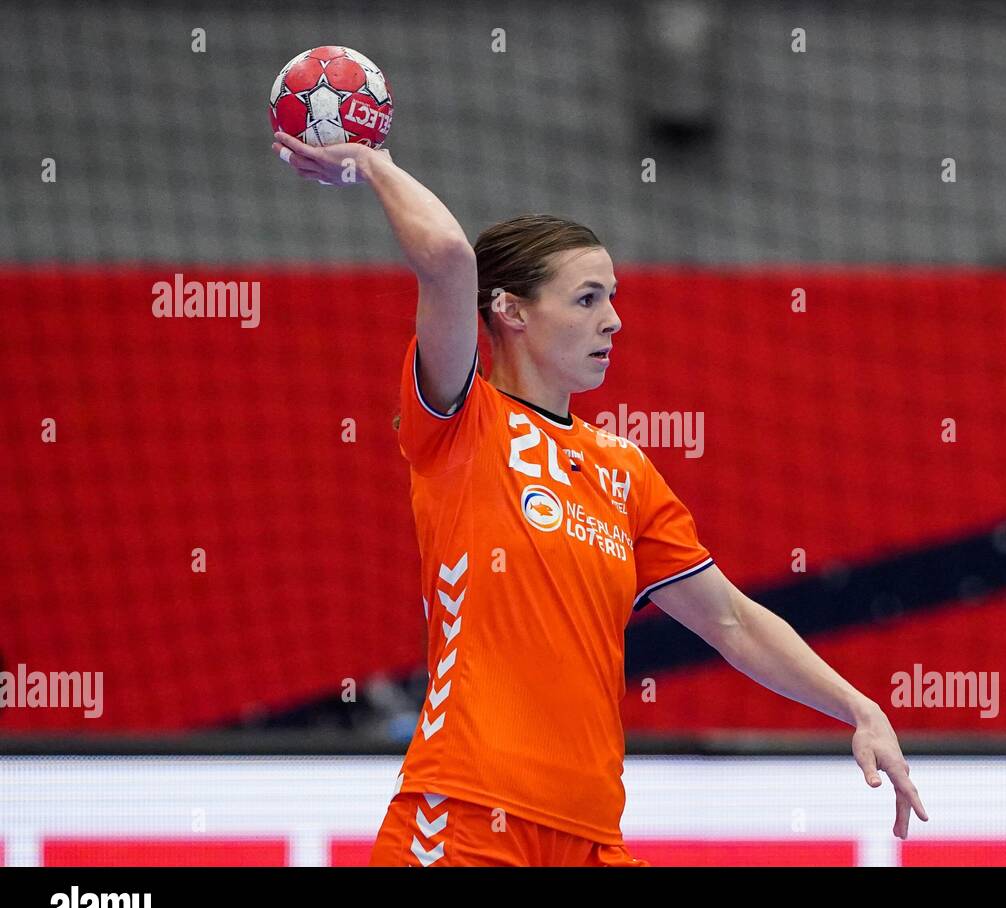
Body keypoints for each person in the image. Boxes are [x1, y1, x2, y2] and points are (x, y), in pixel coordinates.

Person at [273, 130, 928, 867]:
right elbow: (450, 260)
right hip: (462, 817)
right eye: (587, 299)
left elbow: (732, 621)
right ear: (511, 311)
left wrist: (859, 707)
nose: (613, 319)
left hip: (587, 835)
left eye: (612, 298)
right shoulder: (461, 425)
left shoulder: (623, 469)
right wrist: (372, 163)